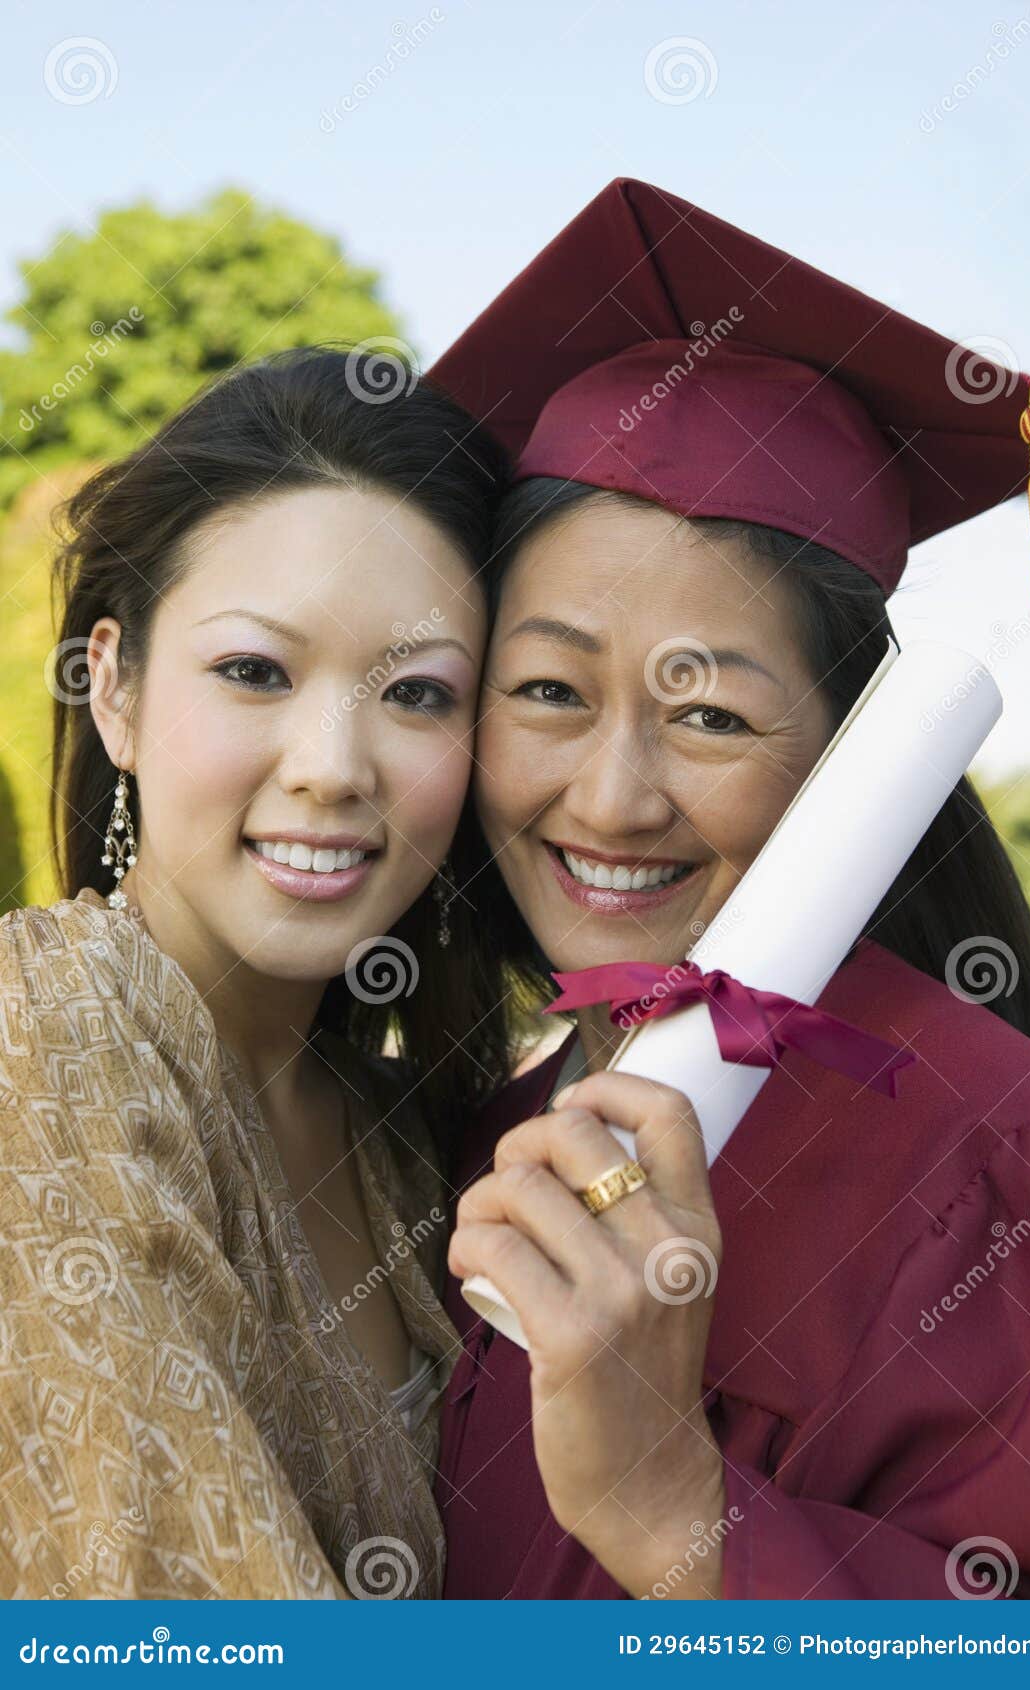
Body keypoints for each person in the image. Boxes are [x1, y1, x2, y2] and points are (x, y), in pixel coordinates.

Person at [428, 178, 1030, 1599]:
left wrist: (674, 1510)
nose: (608, 799)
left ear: (850, 757)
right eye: (547, 692)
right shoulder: (486, 1138)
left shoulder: (1015, 1174)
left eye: (710, 714)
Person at [0, 346, 514, 1598]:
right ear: (111, 688)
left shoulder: (405, 1134)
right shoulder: (42, 1031)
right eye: (253, 671)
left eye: (418, 691)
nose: (332, 767)